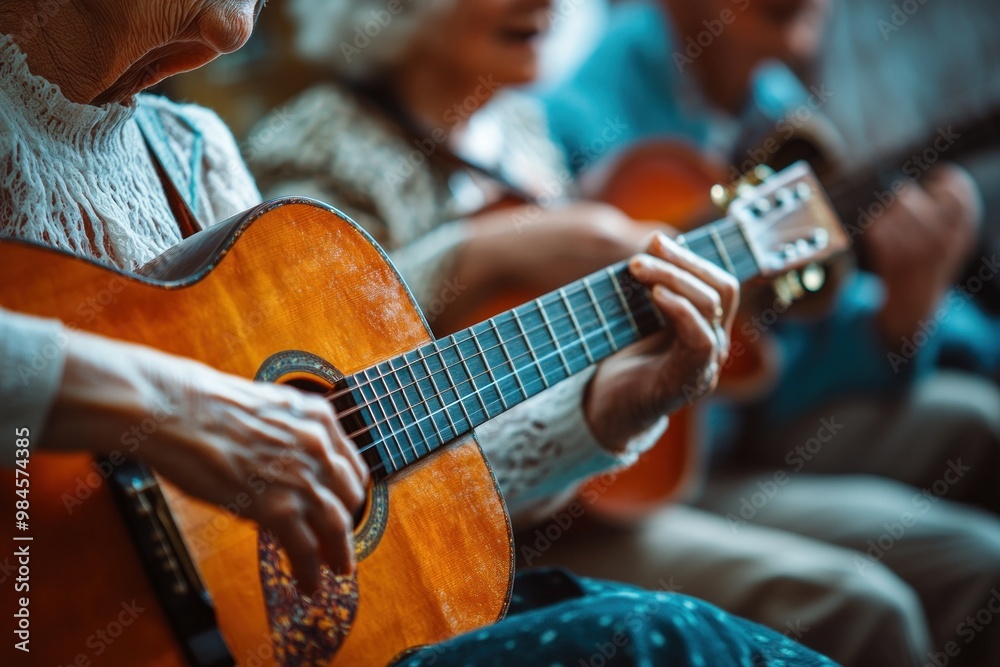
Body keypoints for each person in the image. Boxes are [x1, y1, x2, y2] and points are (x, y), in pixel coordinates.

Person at [0, 1, 836, 665]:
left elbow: (380, 479)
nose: (232, 28)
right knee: (670, 641)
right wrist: (171, 406)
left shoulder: (194, 149)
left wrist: (607, 410)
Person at [247, 1, 1000, 665]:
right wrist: (487, 251)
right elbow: (308, 353)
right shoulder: (312, 150)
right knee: (866, 603)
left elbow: (594, 331)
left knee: (973, 537)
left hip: (593, 474)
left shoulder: (522, 127)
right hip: (477, 530)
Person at [539, 0, 1000, 664]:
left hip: (730, 428)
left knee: (979, 425)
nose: (804, 26)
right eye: (779, 12)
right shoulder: (582, 125)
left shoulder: (772, 102)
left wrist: (905, 316)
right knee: (884, 596)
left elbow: (788, 341)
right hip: (638, 476)